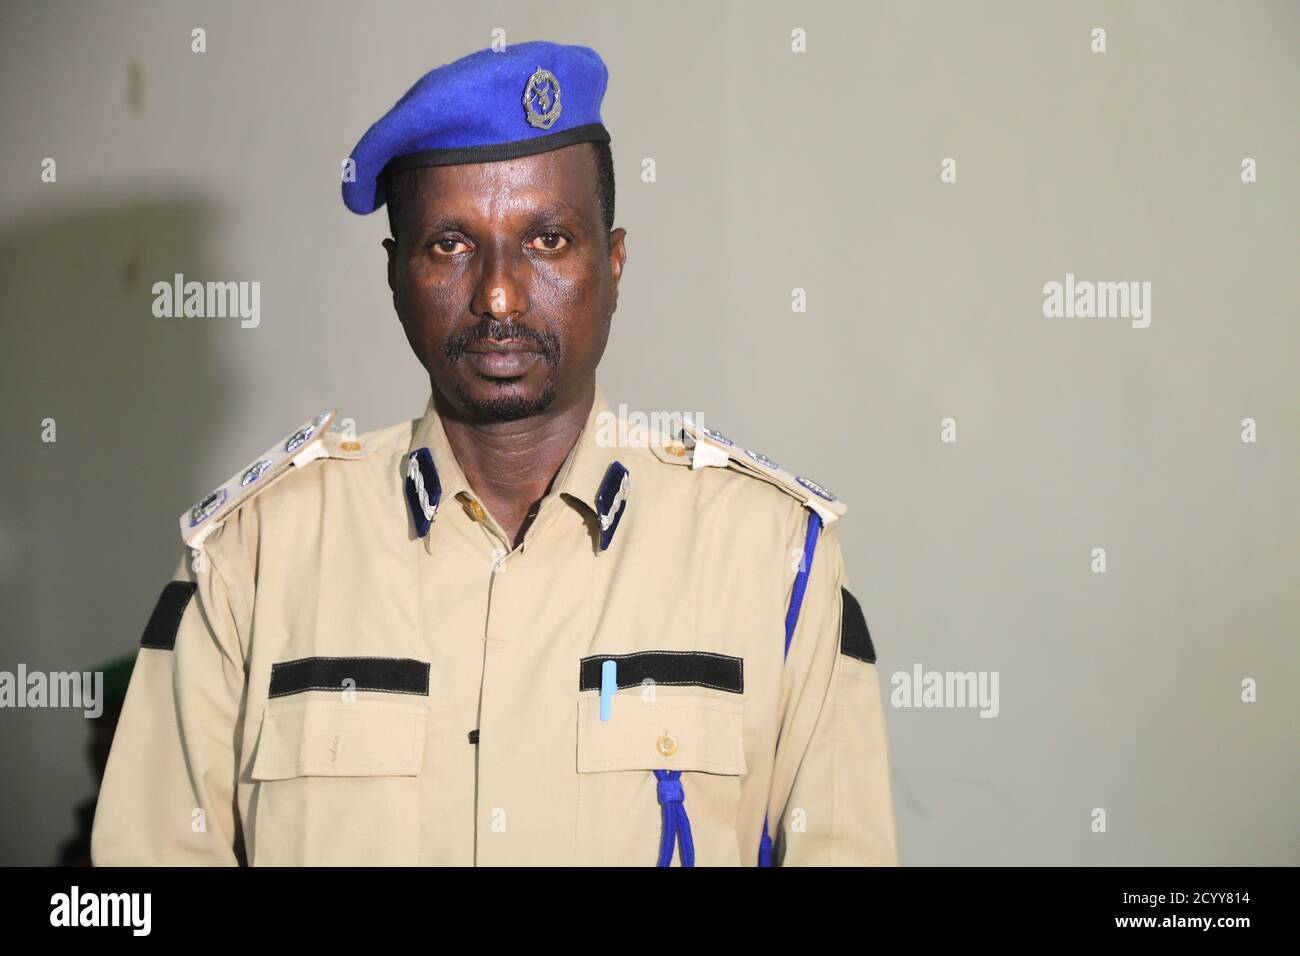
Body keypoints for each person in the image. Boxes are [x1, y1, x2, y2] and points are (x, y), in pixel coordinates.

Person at [91, 39, 899, 866]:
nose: (499, 295)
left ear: (614, 265)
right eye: (450, 245)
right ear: (397, 275)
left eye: (547, 240)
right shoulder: (251, 560)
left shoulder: (774, 562)